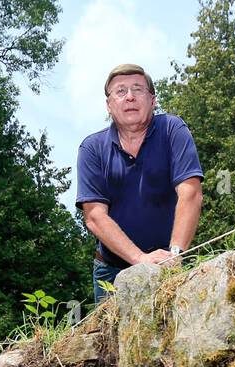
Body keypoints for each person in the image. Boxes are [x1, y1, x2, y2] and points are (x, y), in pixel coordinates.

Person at [75, 63, 205, 307]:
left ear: (153, 100)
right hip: (111, 271)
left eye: (138, 89)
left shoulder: (172, 129)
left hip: (171, 262)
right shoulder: (91, 149)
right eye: (120, 91)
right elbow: (94, 216)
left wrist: (175, 256)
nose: (130, 97)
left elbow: (191, 192)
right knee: (113, 344)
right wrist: (140, 258)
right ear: (109, 105)